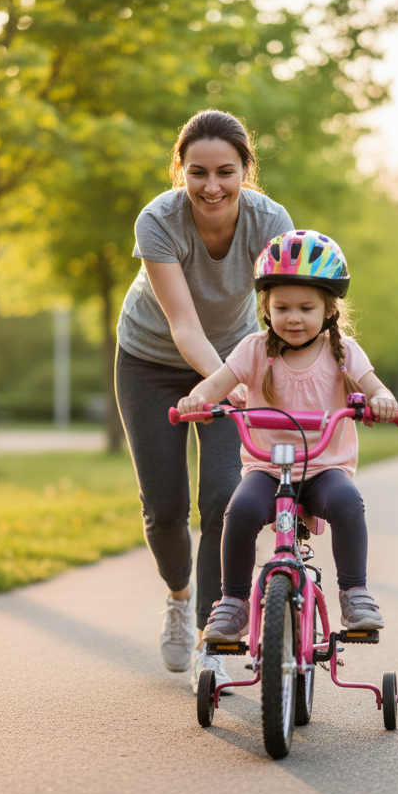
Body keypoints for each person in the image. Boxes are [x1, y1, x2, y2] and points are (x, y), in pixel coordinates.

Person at [116, 109, 294, 692]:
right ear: (181, 171)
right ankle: (178, 595)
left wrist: (283, 376)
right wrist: (229, 380)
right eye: (197, 172)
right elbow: (184, 328)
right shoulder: (158, 220)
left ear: (246, 169)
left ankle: (209, 639)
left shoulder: (271, 221)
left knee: (222, 497)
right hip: (150, 361)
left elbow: (286, 310)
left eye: (225, 171)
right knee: (164, 509)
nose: (211, 186)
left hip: (231, 365)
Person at [175, 230, 398, 650]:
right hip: (267, 469)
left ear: (329, 310)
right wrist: (197, 399)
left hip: (322, 469)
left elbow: (375, 388)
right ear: (266, 307)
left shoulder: (343, 351)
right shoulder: (255, 350)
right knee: (238, 511)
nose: (293, 318)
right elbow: (218, 382)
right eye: (282, 307)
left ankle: (354, 592)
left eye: (306, 308)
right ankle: (234, 600)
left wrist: (382, 401)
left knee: (348, 502)